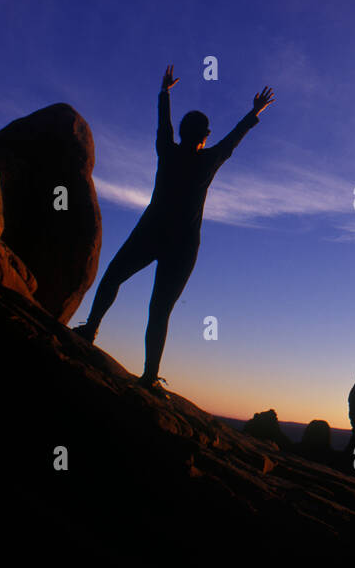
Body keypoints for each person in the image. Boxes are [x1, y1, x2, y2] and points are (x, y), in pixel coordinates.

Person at [72, 65, 274, 390]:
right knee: (160, 309)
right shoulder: (209, 160)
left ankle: (91, 328)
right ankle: (150, 376)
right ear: (205, 135)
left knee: (113, 276)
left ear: (183, 132)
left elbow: (162, 126)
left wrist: (165, 93)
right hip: (182, 246)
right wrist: (254, 111)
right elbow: (233, 138)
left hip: (150, 232)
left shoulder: (167, 151)